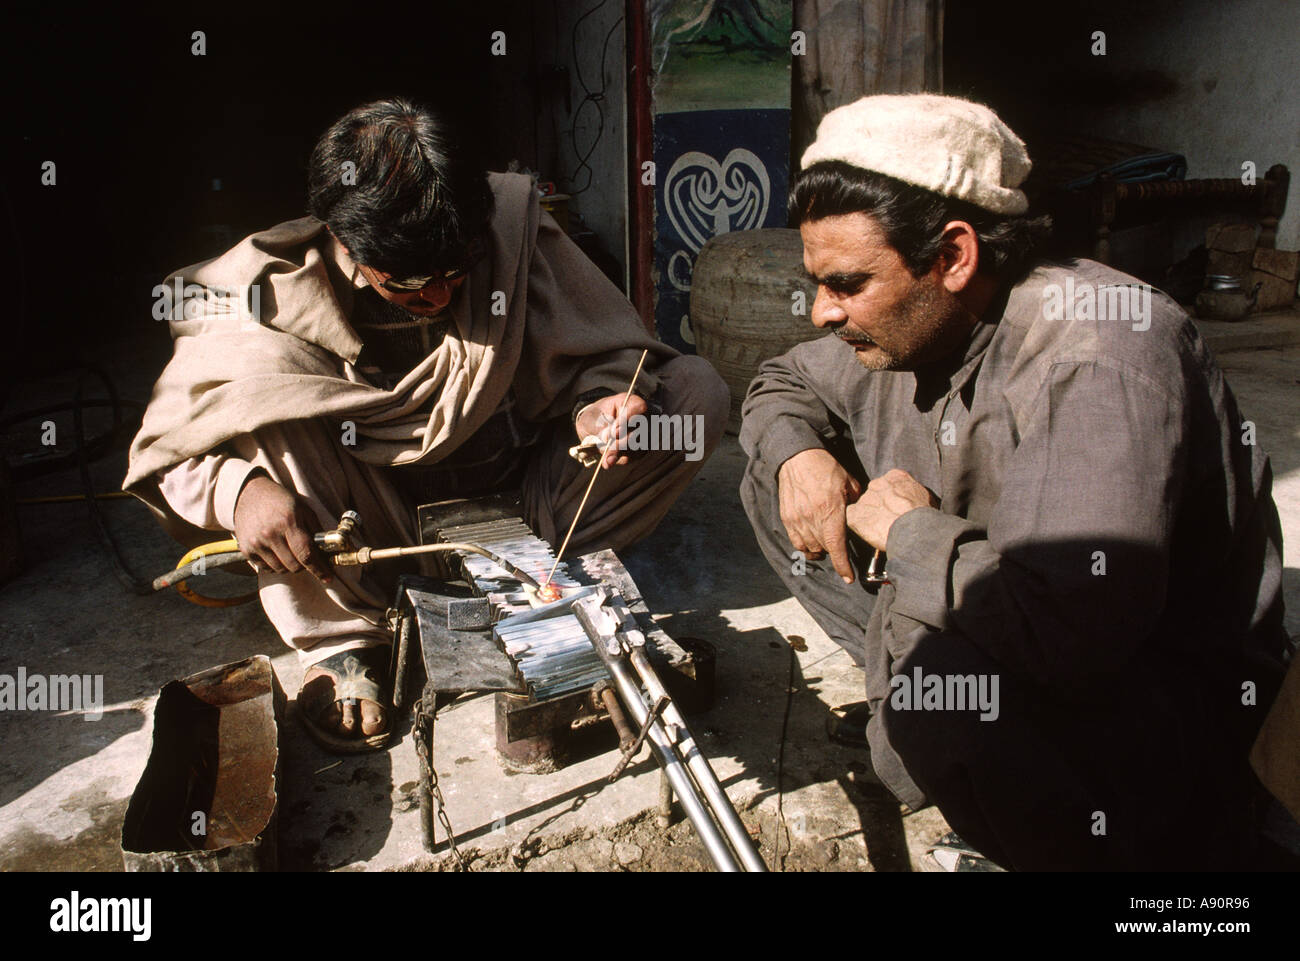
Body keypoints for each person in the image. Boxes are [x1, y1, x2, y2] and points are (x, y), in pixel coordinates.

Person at [739, 93, 1293, 870]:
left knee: (942, 689)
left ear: (953, 256)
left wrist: (909, 535)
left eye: (847, 283)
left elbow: (1073, 633)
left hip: (1153, 698)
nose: (823, 312)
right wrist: (798, 456)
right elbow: (779, 384)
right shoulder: (912, 320)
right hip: (1019, 614)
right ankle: (927, 721)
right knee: (775, 480)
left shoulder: (1101, 353)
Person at [126, 98, 728, 753]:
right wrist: (238, 492)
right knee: (269, 407)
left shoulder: (509, 235)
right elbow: (173, 449)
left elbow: (605, 350)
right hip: (369, 537)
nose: (438, 298)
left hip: (531, 511)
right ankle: (347, 639)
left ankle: (541, 590)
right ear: (343, 238)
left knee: (695, 396)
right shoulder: (260, 295)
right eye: (408, 283)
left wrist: (602, 401)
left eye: (454, 274)